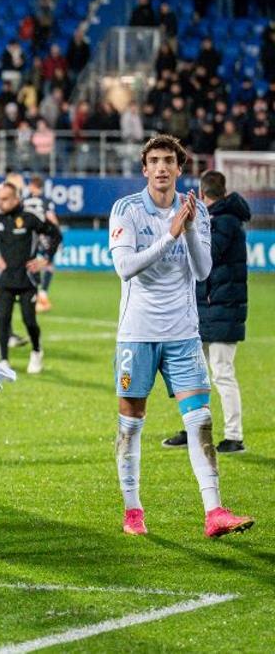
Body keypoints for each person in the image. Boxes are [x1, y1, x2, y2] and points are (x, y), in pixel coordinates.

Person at [108, 135, 253, 538]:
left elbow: (203, 270)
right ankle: (133, 509)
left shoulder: (198, 213)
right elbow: (125, 267)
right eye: (153, 160)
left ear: (179, 167)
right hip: (136, 335)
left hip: (183, 333)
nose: (161, 168)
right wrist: (170, 235)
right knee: (130, 425)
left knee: (201, 421)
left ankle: (214, 511)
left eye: (168, 161)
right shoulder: (127, 209)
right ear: (144, 169)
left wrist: (187, 229)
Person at [161, 170, 250, 453]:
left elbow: (207, 257)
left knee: (222, 373)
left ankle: (234, 436)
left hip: (221, 309)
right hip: (206, 310)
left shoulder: (224, 222)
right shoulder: (219, 220)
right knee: (195, 375)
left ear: (201, 194)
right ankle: (195, 428)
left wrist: (191, 228)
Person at [0, 181, 62, 374]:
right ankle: (3, 361)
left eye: (5, 199)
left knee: (30, 321)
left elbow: (56, 235)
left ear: (16, 198)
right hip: (4, 279)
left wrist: (45, 259)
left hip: (28, 279)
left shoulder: (31, 217)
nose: (1, 203)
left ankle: (36, 351)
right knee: (3, 320)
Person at [22, 176, 61, 312]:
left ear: (33, 186)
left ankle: (35, 295)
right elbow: (51, 218)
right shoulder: (46, 201)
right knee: (48, 263)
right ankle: (42, 294)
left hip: (28, 235)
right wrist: (57, 236)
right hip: (44, 235)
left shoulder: (25, 201)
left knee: (31, 263)